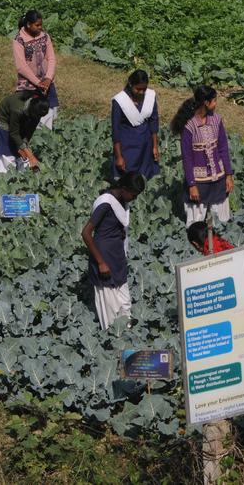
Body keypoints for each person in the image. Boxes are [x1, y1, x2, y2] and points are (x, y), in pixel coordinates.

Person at [81, 172, 146, 330]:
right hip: (104, 259)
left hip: (117, 258)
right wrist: (101, 263)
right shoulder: (106, 203)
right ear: (124, 189)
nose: (134, 198)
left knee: (124, 303)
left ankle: (127, 334)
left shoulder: (121, 201)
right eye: (133, 195)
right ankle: (114, 340)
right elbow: (86, 233)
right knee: (110, 309)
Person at [172, 85, 234, 227]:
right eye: (214, 100)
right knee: (196, 223)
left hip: (218, 179)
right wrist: (192, 185)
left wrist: (228, 175)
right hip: (199, 182)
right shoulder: (189, 126)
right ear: (206, 103)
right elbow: (187, 158)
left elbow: (223, 149)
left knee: (221, 221)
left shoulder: (217, 120)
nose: (216, 103)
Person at [13, 10, 59, 129]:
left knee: (49, 114)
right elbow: (21, 66)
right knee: (30, 117)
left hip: (47, 84)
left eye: (41, 25)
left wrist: (48, 78)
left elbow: (51, 58)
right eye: (37, 25)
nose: (40, 27)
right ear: (28, 24)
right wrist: (38, 83)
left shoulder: (45, 36)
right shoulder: (19, 40)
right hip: (28, 86)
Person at [111, 70, 160, 180]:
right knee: (128, 180)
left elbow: (154, 122)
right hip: (128, 148)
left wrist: (155, 146)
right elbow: (116, 131)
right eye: (138, 89)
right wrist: (119, 157)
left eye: (144, 89)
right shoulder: (120, 101)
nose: (141, 92)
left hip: (146, 147)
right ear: (130, 84)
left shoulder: (150, 96)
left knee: (146, 178)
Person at [0, 89, 49, 173]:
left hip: (23, 115)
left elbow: (30, 130)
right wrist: (31, 156)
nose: (38, 118)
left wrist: (24, 145)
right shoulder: (17, 109)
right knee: (6, 151)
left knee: (21, 150)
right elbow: (14, 133)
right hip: (5, 119)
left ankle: (21, 171)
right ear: (31, 110)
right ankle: (6, 173)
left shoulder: (39, 109)